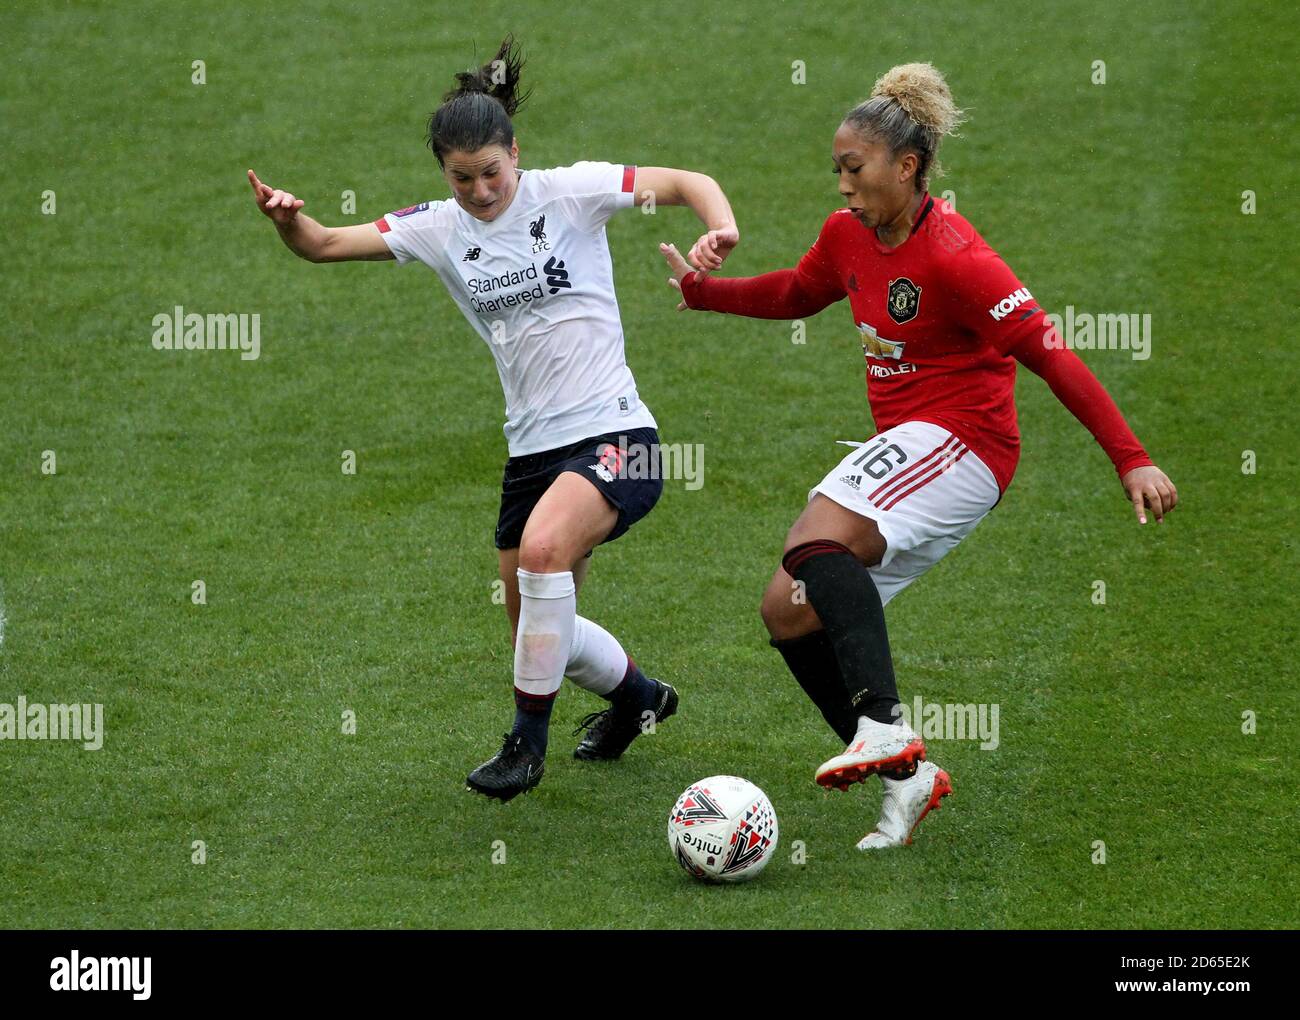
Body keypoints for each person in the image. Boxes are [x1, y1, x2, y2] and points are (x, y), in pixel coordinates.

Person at [661, 62, 1178, 849]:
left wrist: (1130, 457)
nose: (842, 185)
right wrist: (705, 293)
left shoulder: (958, 258)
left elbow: (1052, 356)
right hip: (910, 445)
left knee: (815, 541)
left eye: (854, 168)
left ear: (907, 166)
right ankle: (907, 779)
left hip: (966, 442)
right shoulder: (849, 237)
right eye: (836, 168)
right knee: (788, 610)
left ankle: (879, 726)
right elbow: (798, 293)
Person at [249, 36, 740, 802]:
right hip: (533, 454)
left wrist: (720, 229)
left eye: (492, 173)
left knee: (545, 556)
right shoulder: (438, 227)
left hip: (621, 437)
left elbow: (687, 180)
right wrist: (286, 220)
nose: (480, 191)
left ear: (516, 152)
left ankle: (524, 748)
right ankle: (642, 701)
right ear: (443, 173)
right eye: (462, 177)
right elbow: (321, 244)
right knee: (539, 635)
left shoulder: (569, 191)